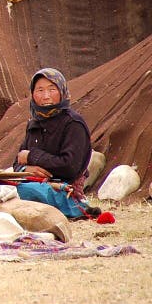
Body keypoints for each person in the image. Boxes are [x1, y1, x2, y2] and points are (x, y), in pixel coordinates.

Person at [12, 68, 100, 219]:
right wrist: (27, 169)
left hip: (64, 194)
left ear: (62, 91)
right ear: (33, 94)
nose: (46, 96)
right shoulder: (34, 124)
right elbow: (18, 163)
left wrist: (33, 157)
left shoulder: (73, 124)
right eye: (40, 90)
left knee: (19, 191)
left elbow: (69, 167)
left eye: (52, 89)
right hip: (33, 186)